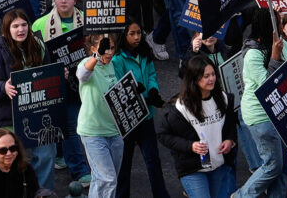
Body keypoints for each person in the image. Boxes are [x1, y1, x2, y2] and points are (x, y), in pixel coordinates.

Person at [0, 10, 56, 189]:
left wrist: (58, 76)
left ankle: (41, 192)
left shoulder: (39, 46)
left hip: (38, 113)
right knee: (11, 161)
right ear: (6, 30)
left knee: (46, 155)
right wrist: (3, 88)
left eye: (24, 25)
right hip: (10, 117)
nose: (21, 29)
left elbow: (48, 71)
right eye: (15, 26)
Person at [157, 55, 238, 197]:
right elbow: (163, 135)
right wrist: (190, 146)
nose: (211, 79)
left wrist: (230, 140)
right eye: (206, 76)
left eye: (213, 74)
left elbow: (231, 125)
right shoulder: (181, 108)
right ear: (194, 79)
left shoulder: (224, 99)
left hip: (218, 164)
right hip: (192, 169)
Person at [112, 19, 170, 198]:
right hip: (129, 121)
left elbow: (152, 74)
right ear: (124, 35)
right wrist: (135, 88)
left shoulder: (145, 53)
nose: (137, 37)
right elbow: (118, 83)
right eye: (132, 34)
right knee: (124, 165)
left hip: (146, 117)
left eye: (139, 33)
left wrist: (153, 90)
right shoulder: (117, 59)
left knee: (153, 161)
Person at [233, 8, 285, 198]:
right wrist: (274, 58)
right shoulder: (253, 55)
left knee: (280, 167)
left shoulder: (277, 45)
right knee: (273, 166)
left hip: (277, 113)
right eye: (278, 23)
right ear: (268, 28)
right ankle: (242, 195)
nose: (282, 26)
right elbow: (268, 87)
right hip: (260, 116)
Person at [76, 33, 122, 198]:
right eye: (104, 48)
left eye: (111, 48)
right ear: (93, 49)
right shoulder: (86, 64)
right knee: (108, 180)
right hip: (93, 132)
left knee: (102, 179)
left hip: (115, 131)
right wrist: (96, 57)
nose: (109, 52)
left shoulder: (113, 65)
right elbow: (82, 74)